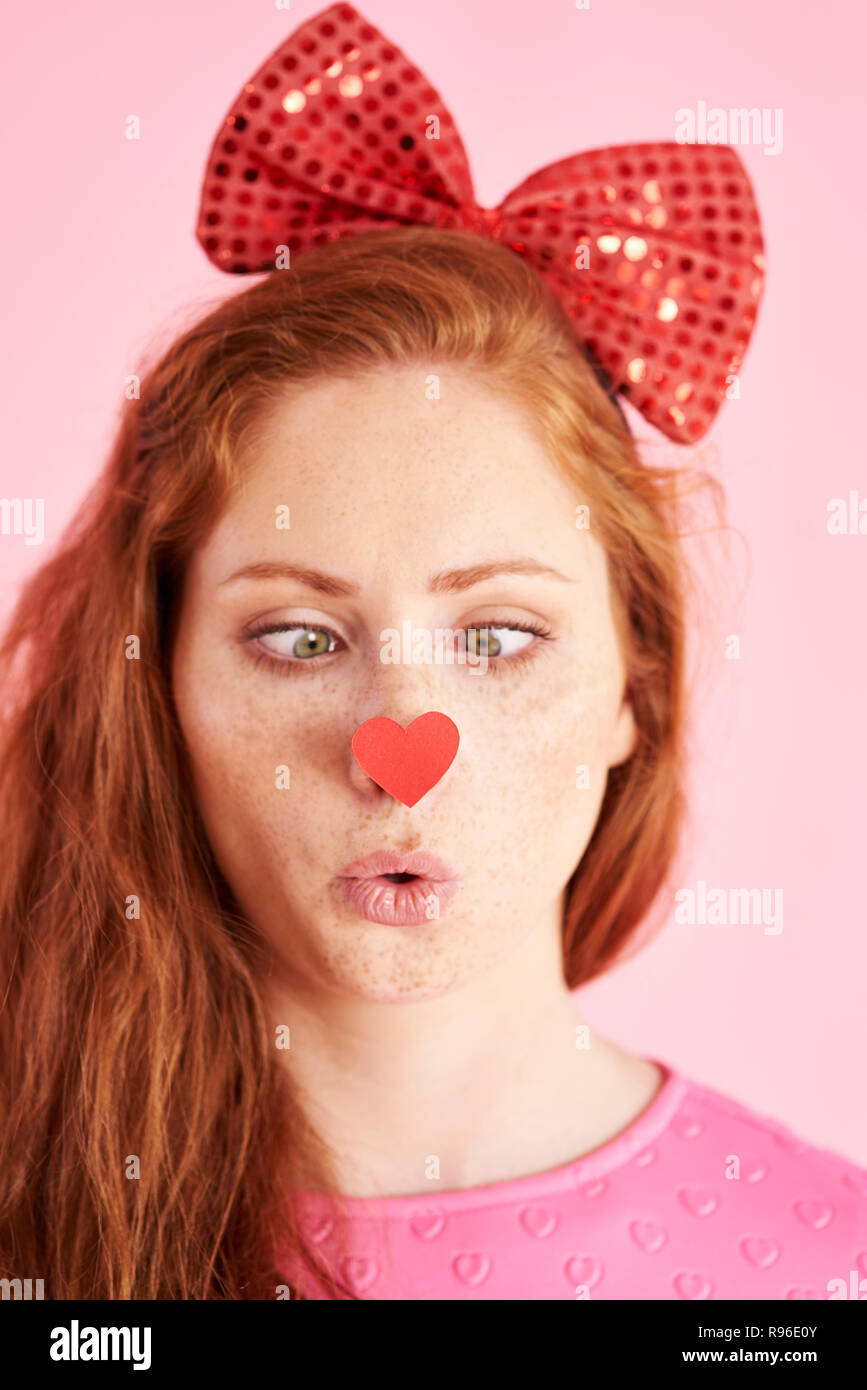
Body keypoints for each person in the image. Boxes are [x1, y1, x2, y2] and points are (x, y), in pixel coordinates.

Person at [1, 5, 864, 1302]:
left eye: (499, 634)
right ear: (161, 681)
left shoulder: (828, 1263)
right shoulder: (34, 1222)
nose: (402, 739)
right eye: (298, 636)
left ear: (633, 683)